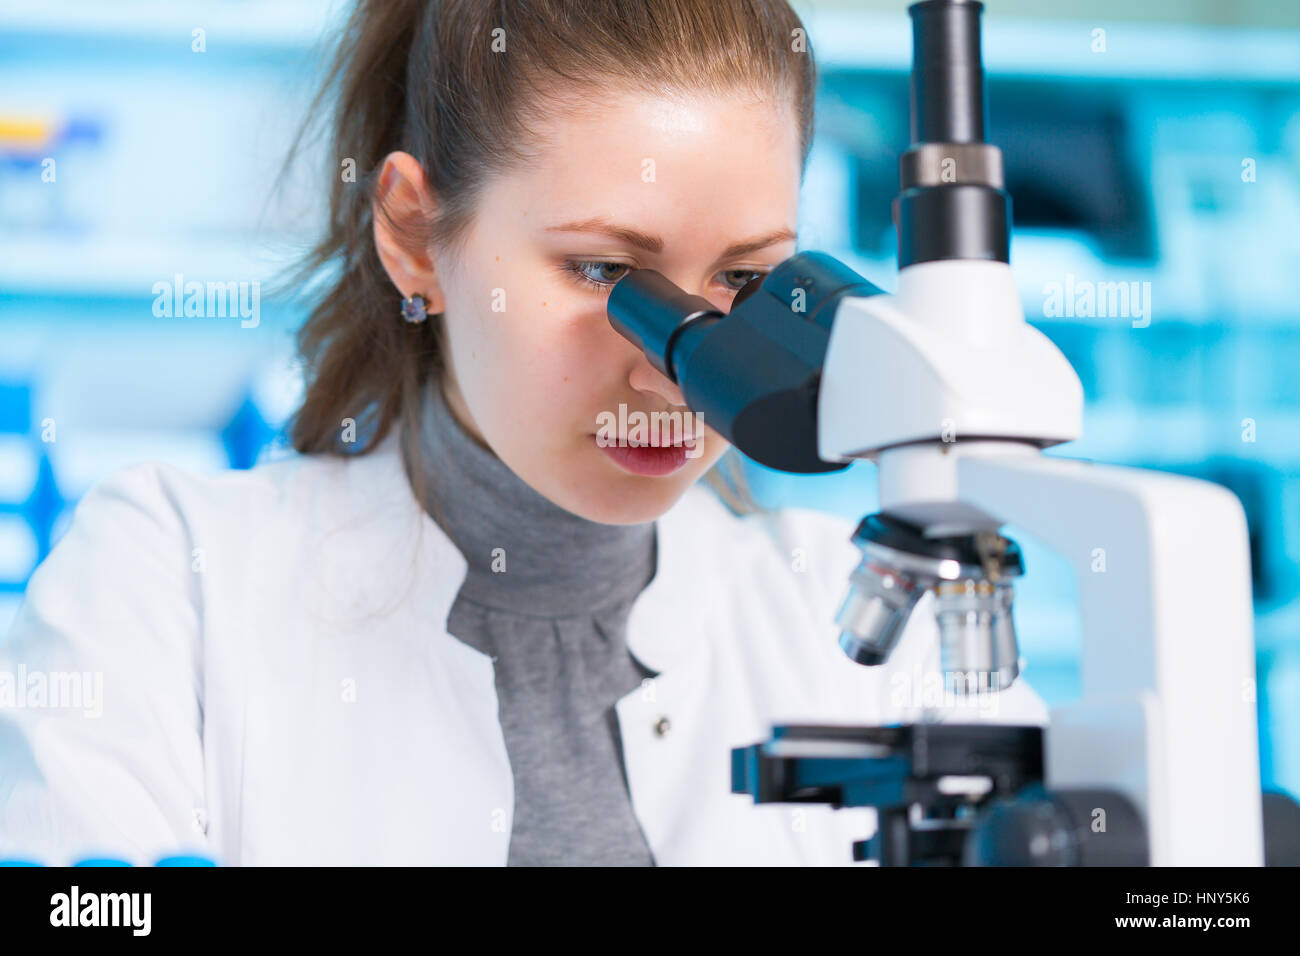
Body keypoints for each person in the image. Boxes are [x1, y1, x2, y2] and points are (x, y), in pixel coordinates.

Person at [0, 0, 1047, 866]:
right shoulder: (168, 576)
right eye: (603, 273)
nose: (670, 365)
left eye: (742, 279)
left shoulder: (864, 614)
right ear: (415, 235)